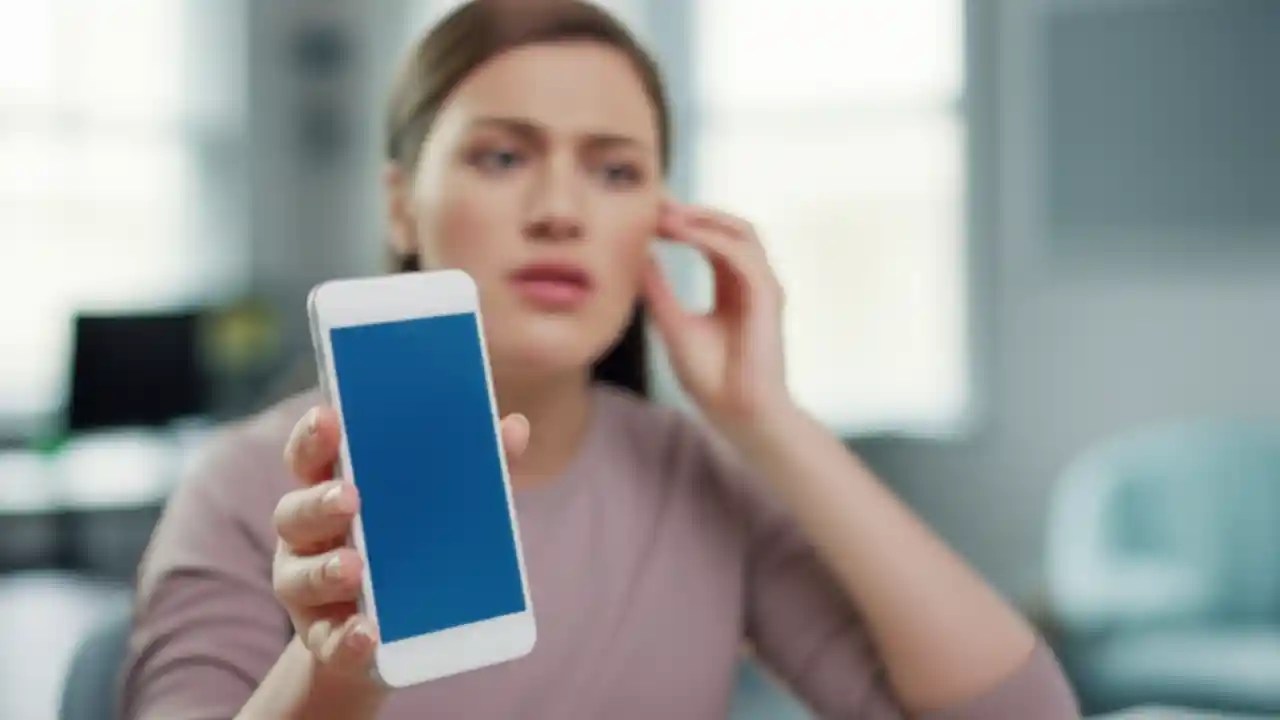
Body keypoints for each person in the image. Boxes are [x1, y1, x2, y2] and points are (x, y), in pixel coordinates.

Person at [121, 1, 1078, 718]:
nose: (561, 211)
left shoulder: (697, 476)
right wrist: (335, 669)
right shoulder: (247, 491)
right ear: (400, 203)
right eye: (503, 157)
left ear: (659, 222)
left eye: (615, 170)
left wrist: (766, 419)